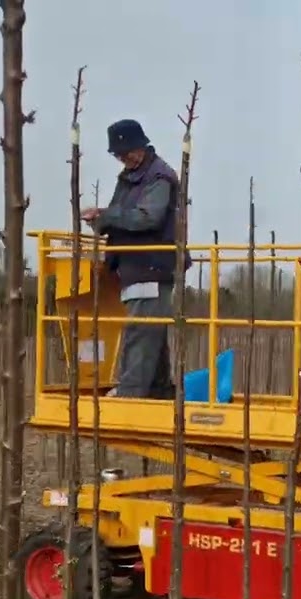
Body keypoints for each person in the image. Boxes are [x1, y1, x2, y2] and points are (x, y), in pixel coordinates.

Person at [81, 119, 190, 399]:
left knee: (141, 330)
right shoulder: (130, 176)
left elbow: (147, 217)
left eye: (126, 151)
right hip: (133, 267)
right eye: (117, 154)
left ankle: (130, 394)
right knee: (149, 331)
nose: (122, 158)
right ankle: (159, 391)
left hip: (152, 265)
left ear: (140, 145)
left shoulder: (159, 176)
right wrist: (101, 221)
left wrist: (108, 216)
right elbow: (120, 214)